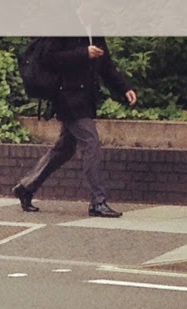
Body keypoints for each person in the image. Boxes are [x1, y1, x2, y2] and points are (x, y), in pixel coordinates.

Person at [12, 36, 137, 218]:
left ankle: (26, 187)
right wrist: (83, 53)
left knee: (65, 149)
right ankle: (98, 201)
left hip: (84, 99)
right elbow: (48, 58)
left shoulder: (94, 32)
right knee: (91, 142)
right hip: (66, 98)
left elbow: (106, 66)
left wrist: (125, 88)